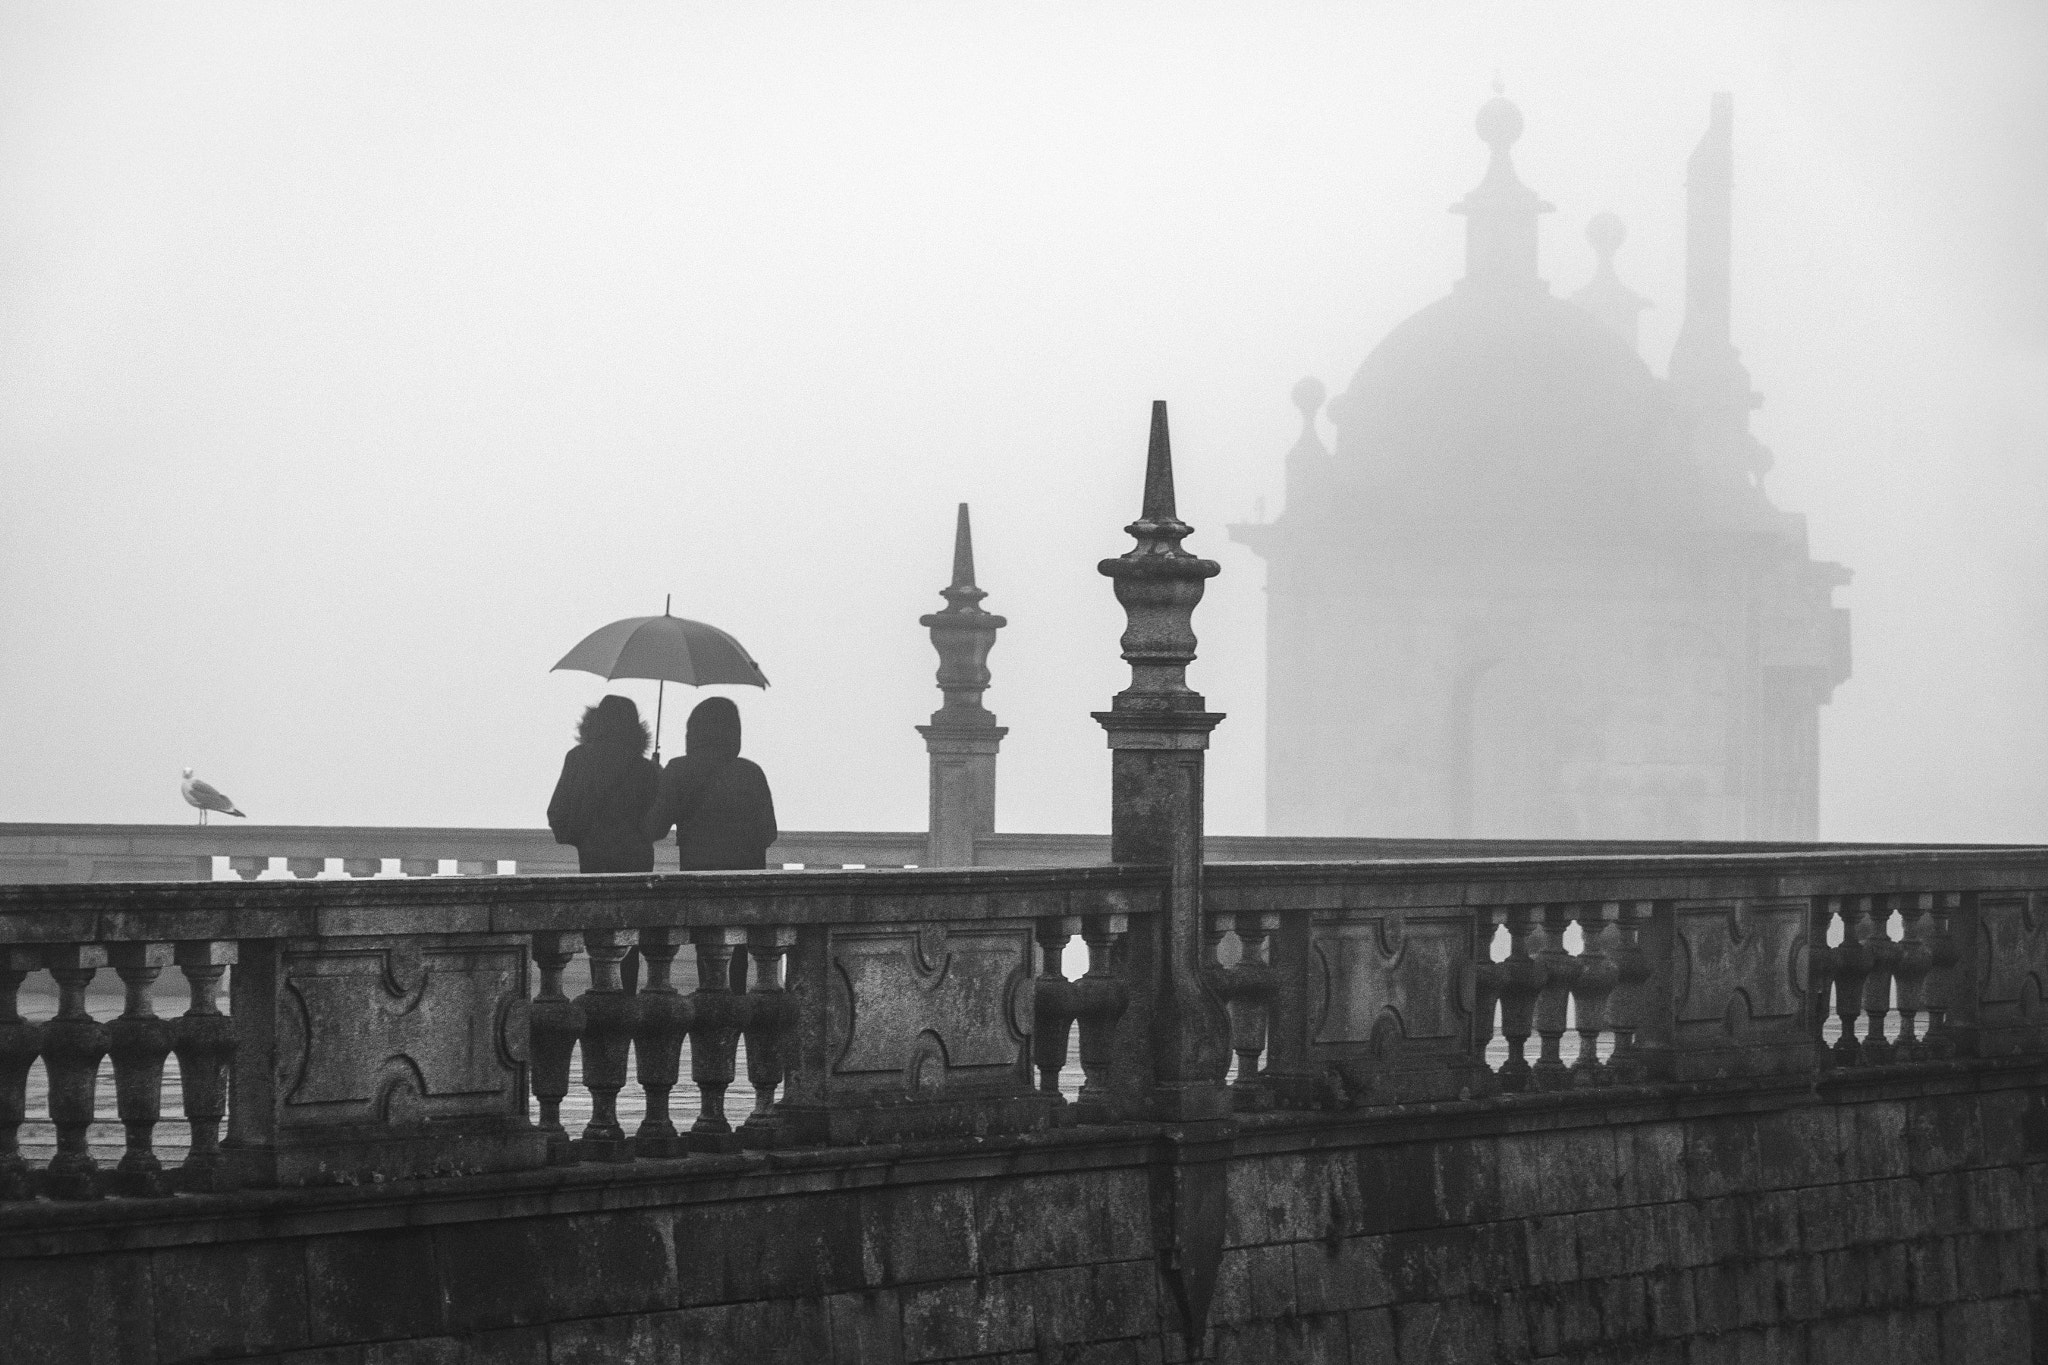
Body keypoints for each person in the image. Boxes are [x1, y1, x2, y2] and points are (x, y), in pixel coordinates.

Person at [644, 696, 778, 991]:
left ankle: (713, 998)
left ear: (694, 733)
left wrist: (658, 779)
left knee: (708, 948)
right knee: (739, 948)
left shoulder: (679, 770)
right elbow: (769, 832)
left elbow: (654, 828)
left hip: (700, 876)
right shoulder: (752, 773)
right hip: (746, 878)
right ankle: (738, 998)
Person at [546, 694, 660, 873]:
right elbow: (657, 825)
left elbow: (557, 811)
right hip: (636, 860)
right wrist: (657, 774)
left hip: (592, 856)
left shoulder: (578, 758)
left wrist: (578, 837)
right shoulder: (645, 769)